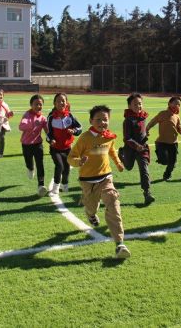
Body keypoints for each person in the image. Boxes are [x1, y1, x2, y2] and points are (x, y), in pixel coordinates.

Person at [68, 105, 130, 259]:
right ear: (91, 121)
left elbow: (111, 151)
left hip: (106, 178)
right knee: (91, 206)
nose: (102, 122)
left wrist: (118, 163)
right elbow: (71, 157)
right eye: (98, 119)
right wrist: (79, 162)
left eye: (105, 119)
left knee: (113, 202)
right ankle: (90, 213)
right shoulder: (85, 138)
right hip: (88, 181)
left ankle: (120, 244)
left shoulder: (109, 137)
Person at [119, 92, 154, 205]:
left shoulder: (143, 117)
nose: (138, 106)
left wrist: (145, 134)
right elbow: (127, 138)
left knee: (144, 169)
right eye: (135, 104)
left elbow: (142, 131)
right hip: (130, 148)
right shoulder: (127, 121)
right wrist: (136, 145)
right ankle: (121, 154)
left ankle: (147, 193)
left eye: (140, 104)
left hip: (142, 149)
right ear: (129, 106)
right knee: (128, 167)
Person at [46, 93, 82, 195]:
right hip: (55, 148)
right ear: (54, 103)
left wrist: (74, 131)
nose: (60, 103)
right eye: (58, 101)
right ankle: (55, 187)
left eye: (63, 101)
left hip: (67, 148)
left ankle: (65, 184)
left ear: (66, 103)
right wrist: (51, 140)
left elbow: (80, 128)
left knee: (66, 168)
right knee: (59, 166)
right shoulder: (51, 117)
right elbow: (48, 133)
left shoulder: (70, 116)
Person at [145, 96, 181, 182]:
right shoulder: (162, 114)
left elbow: (179, 126)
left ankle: (167, 174)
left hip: (173, 143)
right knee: (164, 160)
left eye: (179, 104)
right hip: (161, 142)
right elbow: (153, 121)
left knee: (172, 163)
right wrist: (147, 128)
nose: (177, 105)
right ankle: (160, 156)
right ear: (169, 103)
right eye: (175, 103)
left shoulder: (177, 116)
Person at [19, 94, 48, 196]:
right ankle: (30, 168)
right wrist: (32, 124)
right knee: (29, 163)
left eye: (40, 104)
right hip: (26, 144)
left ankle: (41, 185)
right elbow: (21, 126)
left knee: (40, 164)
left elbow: (47, 130)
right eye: (36, 104)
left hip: (38, 144)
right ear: (31, 105)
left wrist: (50, 137)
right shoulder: (27, 115)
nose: (38, 106)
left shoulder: (43, 118)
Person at [0, 88, 14, 158]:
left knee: (2, 138)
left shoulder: (5, 104)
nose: (0, 96)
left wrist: (10, 114)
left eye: (1, 95)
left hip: (3, 125)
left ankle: (0, 153)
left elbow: (8, 114)